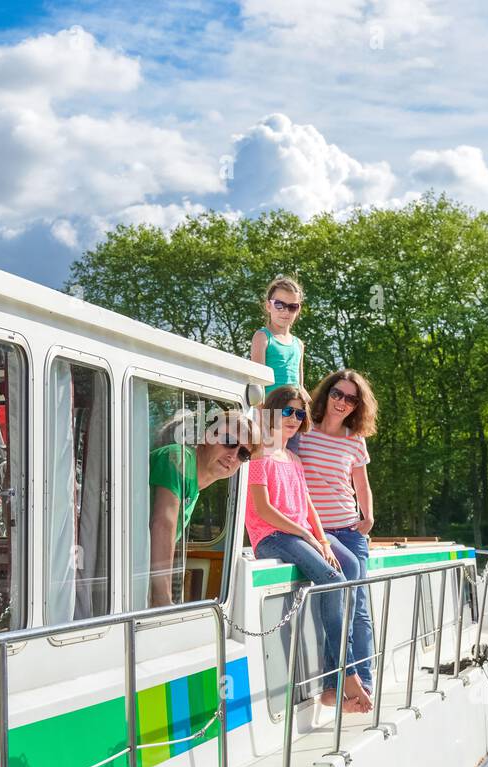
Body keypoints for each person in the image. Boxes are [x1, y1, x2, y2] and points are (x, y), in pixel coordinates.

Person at [245, 386, 371, 713]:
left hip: (300, 535)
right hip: (274, 536)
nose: (294, 419)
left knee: (348, 573)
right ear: (273, 412)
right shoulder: (260, 455)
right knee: (332, 579)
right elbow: (264, 509)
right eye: (288, 411)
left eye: (300, 414)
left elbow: (309, 506)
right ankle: (347, 673)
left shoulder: (293, 457)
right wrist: (310, 537)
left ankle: (332, 685)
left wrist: (325, 540)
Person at [298, 370, 379, 696]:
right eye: (337, 394)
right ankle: (338, 683)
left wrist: (368, 516)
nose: (342, 402)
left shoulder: (354, 440)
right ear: (326, 394)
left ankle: (365, 682)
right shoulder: (302, 432)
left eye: (351, 398)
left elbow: (361, 484)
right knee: (343, 594)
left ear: (357, 405)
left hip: (350, 529)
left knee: (359, 606)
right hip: (319, 531)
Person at [149, 409, 260, 607]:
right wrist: (162, 598)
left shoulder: (193, 483)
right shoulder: (179, 458)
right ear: (206, 437)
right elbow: (163, 525)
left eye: (243, 454)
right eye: (229, 441)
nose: (233, 455)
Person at [250, 276, 306, 398]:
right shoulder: (263, 337)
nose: (286, 311)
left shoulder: (299, 344)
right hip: (271, 411)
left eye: (292, 307)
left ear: (298, 309)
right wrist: (264, 416)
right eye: (279, 305)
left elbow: (300, 387)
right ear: (268, 306)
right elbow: (257, 384)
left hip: (293, 413)